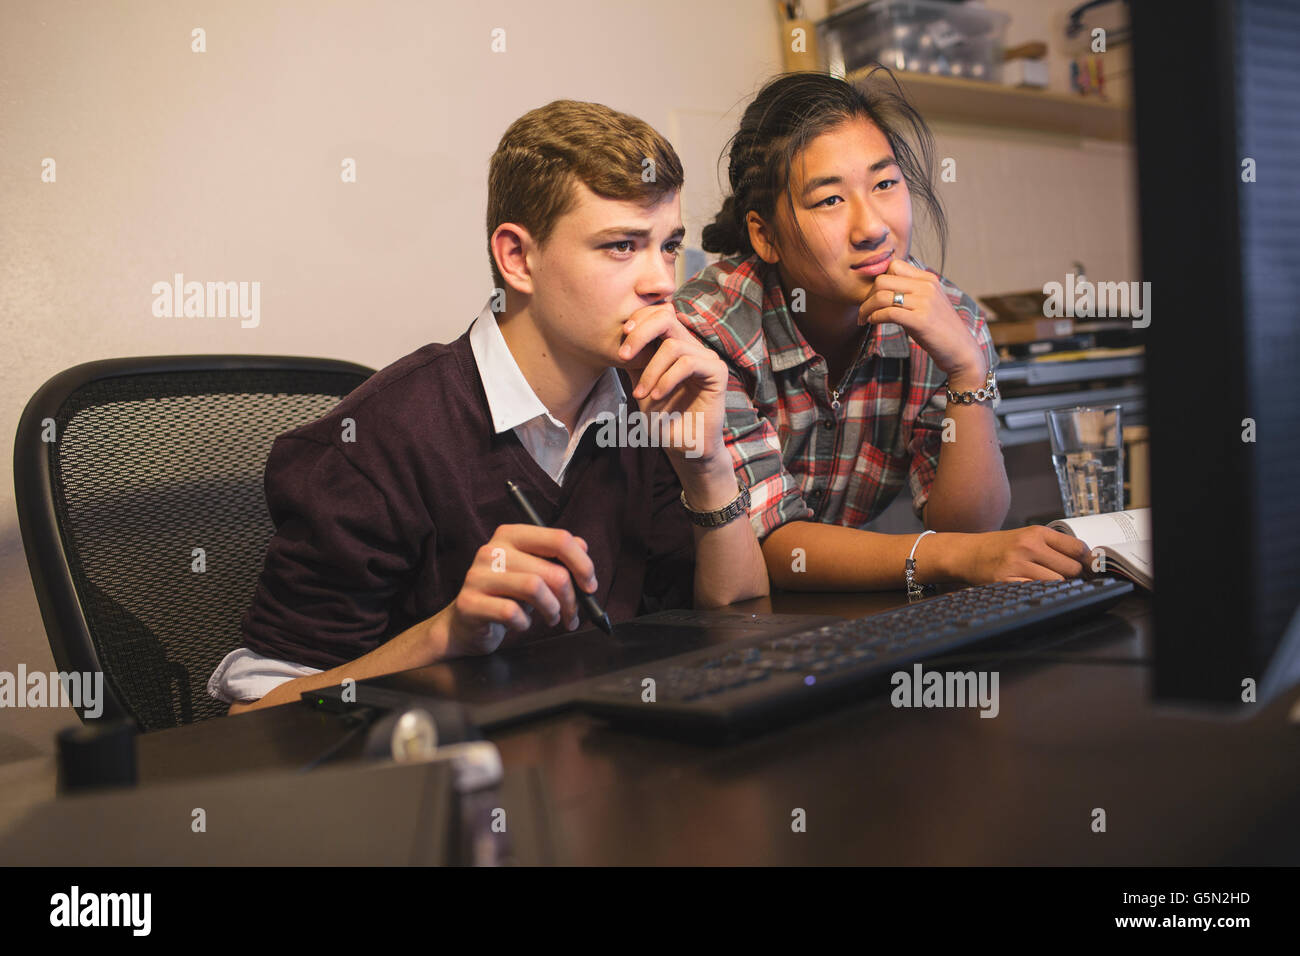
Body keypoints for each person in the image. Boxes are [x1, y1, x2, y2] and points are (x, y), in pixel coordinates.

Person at [212, 100, 768, 715]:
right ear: (517, 258)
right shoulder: (374, 443)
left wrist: (707, 466)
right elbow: (254, 715)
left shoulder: (650, 403)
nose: (663, 281)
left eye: (669, 246)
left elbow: (739, 630)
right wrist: (446, 634)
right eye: (621, 246)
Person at [674, 71, 1091, 592]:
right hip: (686, 621)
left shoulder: (950, 317)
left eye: (885, 184)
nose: (872, 227)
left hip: (825, 621)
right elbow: (771, 544)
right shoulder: (710, 329)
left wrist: (966, 369)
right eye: (829, 199)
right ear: (764, 235)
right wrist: (954, 556)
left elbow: (969, 528)